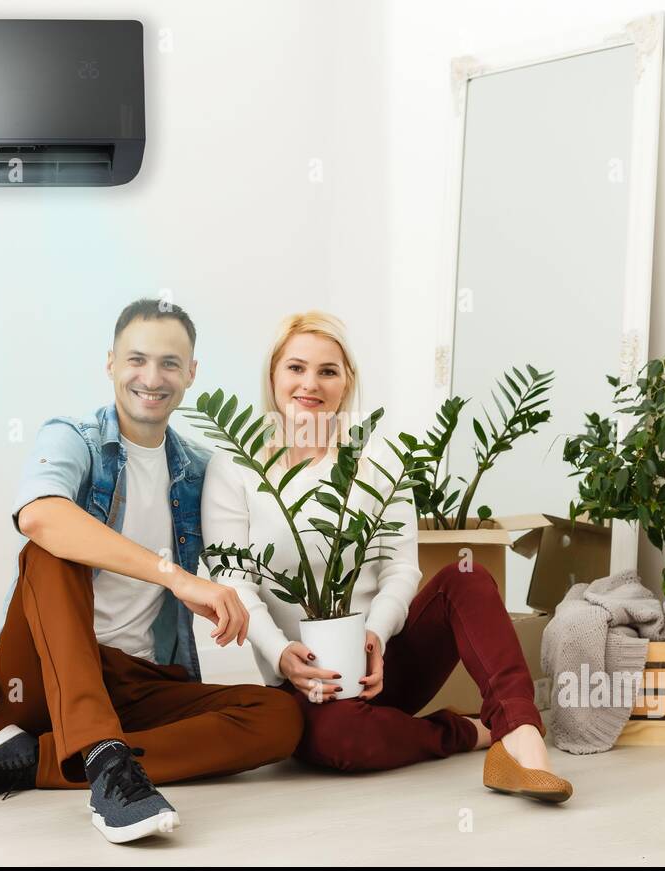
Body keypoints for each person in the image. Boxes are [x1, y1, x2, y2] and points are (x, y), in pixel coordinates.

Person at [0, 299, 304, 843]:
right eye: (137, 359)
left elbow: (259, 546)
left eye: (170, 363)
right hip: (37, 681)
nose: (152, 378)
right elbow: (39, 515)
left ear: (191, 373)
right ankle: (106, 764)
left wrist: (297, 648)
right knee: (51, 549)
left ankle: (35, 759)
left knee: (279, 718)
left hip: (135, 683)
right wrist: (174, 575)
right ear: (110, 362)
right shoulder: (75, 436)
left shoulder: (202, 470)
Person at [200, 311, 573, 803]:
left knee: (467, 575)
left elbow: (402, 567)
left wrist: (375, 634)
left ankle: (521, 736)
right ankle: (470, 734)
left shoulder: (380, 459)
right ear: (273, 376)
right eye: (296, 368)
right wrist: (280, 654)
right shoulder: (236, 464)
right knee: (339, 741)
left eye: (327, 371)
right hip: (306, 682)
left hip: (384, 660)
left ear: (347, 382)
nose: (310, 384)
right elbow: (234, 578)